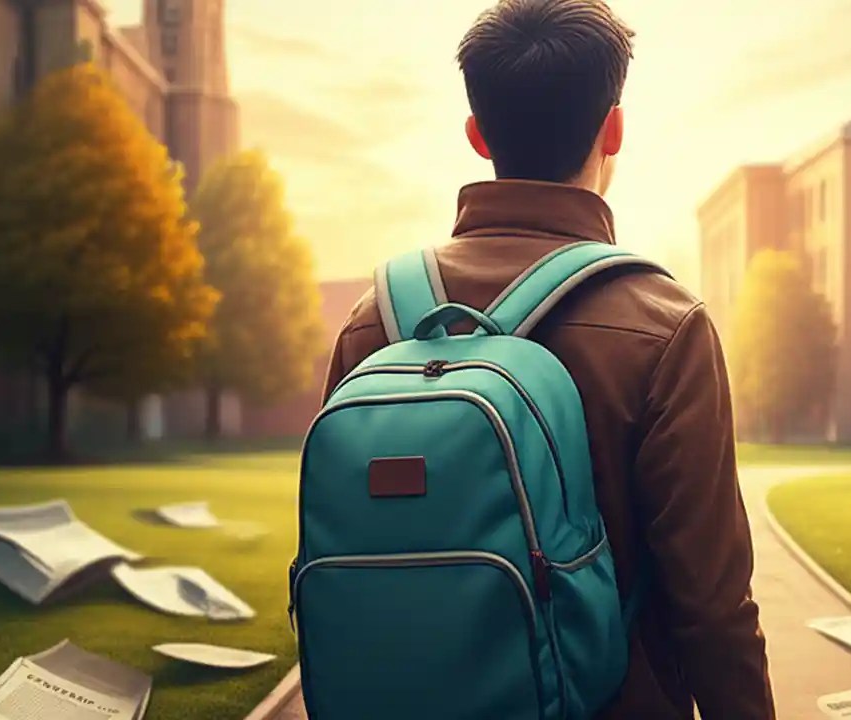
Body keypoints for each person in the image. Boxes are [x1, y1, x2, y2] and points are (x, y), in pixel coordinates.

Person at [321, 1, 775, 717]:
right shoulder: (665, 324)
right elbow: (713, 610)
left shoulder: (374, 321)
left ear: (477, 134)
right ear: (614, 129)